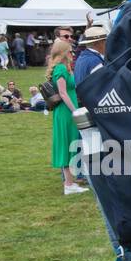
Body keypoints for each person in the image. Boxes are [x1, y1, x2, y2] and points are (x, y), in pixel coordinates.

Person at [44, 40, 87, 193]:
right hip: (66, 112)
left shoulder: (64, 67)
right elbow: (62, 93)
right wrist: (75, 110)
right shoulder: (60, 69)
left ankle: (70, 183)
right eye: (69, 51)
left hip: (67, 111)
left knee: (70, 143)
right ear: (62, 52)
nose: (72, 54)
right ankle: (68, 184)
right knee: (67, 144)